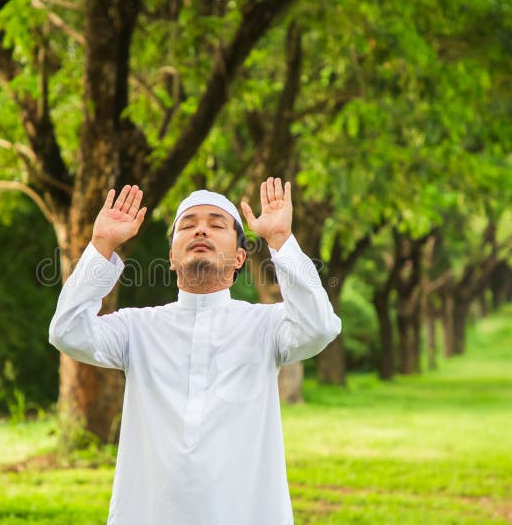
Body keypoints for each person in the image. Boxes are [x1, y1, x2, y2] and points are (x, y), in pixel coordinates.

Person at [49, 177, 342, 525]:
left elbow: (320, 328)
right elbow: (66, 332)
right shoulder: (136, 328)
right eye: (188, 225)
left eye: (216, 224)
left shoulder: (265, 326)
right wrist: (101, 245)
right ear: (172, 257)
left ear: (238, 258)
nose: (200, 231)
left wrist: (281, 241)